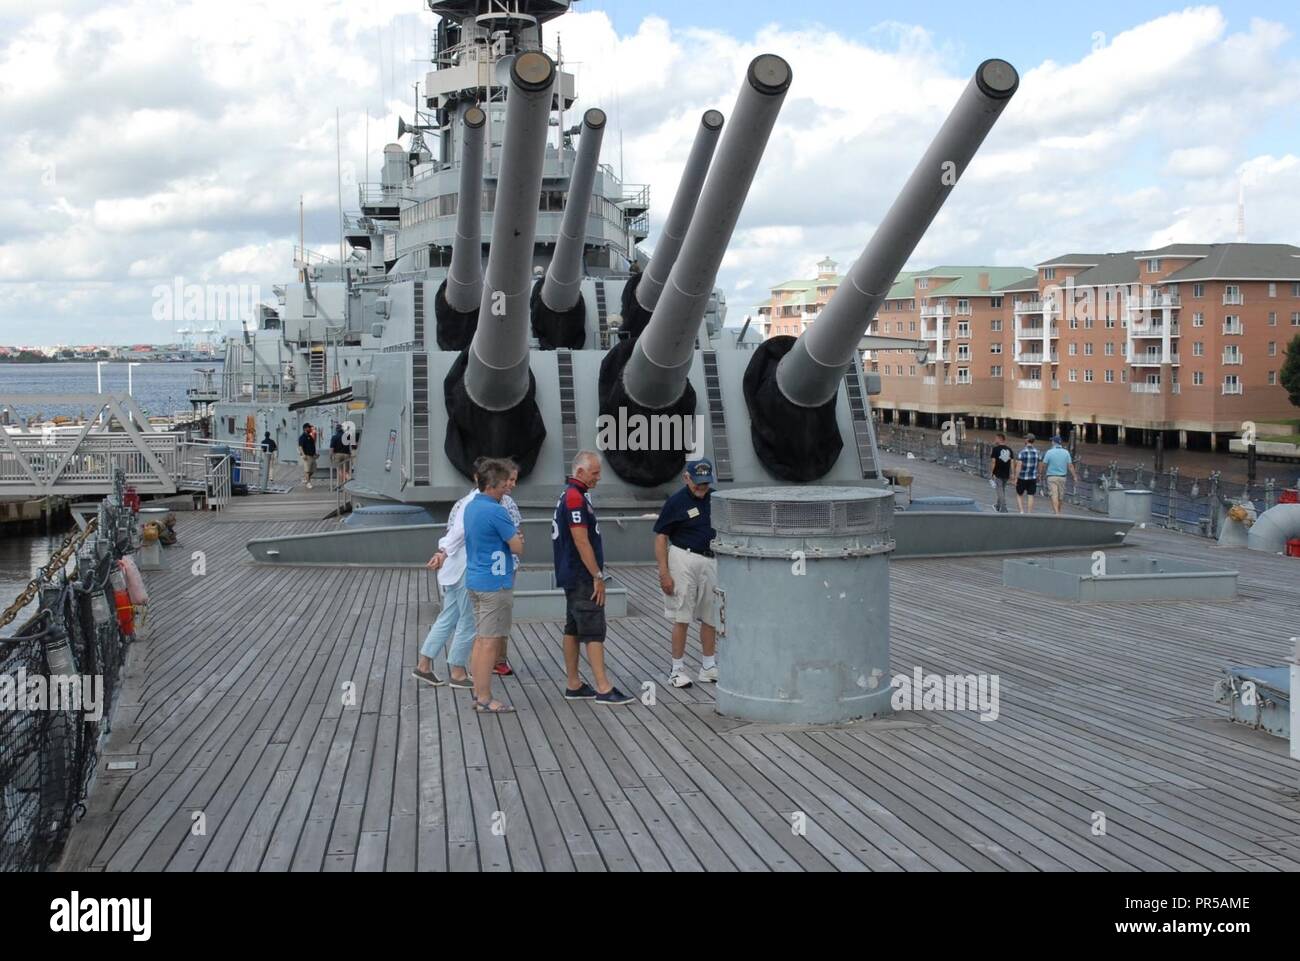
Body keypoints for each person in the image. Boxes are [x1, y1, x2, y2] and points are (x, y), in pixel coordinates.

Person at [552, 451, 634, 705]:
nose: (598, 477)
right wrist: (597, 575)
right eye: (595, 473)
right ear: (579, 472)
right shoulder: (575, 498)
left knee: (573, 627)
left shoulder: (570, 495)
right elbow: (580, 540)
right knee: (594, 629)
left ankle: (573, 684)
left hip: (570, 574)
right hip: (581, 575)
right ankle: (603, 687)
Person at [411, 460, 489, 690]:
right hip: (465, 566)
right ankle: (457, 670)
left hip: (454, 568)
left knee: (448, 616)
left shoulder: (464, 502)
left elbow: (452, 532)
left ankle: (424, 665)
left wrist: (443, 554)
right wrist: (444, 553)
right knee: (468, 619)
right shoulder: (476, 504)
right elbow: (460, 533)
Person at [463, 459, 525, 713]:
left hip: (476, 580)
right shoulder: (497, 511)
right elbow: (516, 545)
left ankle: (478, 692)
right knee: (490, 642)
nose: (507, 489)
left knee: (480, 640)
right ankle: (486, 698)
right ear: (492, 485)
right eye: (503, 485)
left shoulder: (471, 507)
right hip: (495, 583)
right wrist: (517, 539)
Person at [654, 459, 720, 688]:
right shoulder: (676, 502)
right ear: (687, 478)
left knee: (711, 615)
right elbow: (661, 537)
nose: (701, 488)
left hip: (710, 559)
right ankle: (677, 669)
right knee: (681, 615)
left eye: (705, 484)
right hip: (683, 557)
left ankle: (708, 666)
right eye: (697, 483)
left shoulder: (716, 499)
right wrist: (664, 573)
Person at [492, 462, 523, 678]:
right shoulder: (477, 503)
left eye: (514, 480)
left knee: (503, 613)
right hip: (491, 566)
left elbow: (516, 531)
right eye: (509, 480)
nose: (513, 484)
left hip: (508, 565)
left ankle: (499, 659)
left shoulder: (509, 502)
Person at [1041, 434, 1079, 515]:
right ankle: (1058, 511)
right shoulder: (1066, 452)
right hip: (1062, 477)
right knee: (1060, 496)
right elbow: (1070, 465)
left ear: (1054, 442)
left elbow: (1044, 464)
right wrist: (1074, 476)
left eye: (1052, 441)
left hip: (1051, 477)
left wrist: (1040, 473)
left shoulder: (1049, 452)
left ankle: (1056, 513)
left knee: (1054, 495)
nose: (1051, 442)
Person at [1015, 433, 1041, 514]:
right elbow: (1040, 464)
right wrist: (1039, 474)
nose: (1024, 440)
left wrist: (1016, 477)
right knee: (1030, 495)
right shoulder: (1037, 452)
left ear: (1027, 440)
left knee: (1019, 494)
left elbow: (1019, 466)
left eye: (1025, 438)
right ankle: (1029, 512)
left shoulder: (1022, 452)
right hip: (1032, 477)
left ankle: (1021, 511)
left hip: (1022, 477)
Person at [988, 433, 1013, 513]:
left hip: (998, 472)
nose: (995, 440)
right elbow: (1012, 462)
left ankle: (1003, 507)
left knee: (1000, 490)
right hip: (1006, 472)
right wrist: (1013, 473)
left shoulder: (995, 449)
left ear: (999, 439)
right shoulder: (1009, 450)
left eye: (996, 439)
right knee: (1002, 490)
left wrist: (991, 472)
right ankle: (997, 506)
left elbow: (993, 462)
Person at [328, 424, 351, 489]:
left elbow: (332, 448)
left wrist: (330, 456)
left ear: (336, 430)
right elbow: (352, 445)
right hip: (347, 454)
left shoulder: (334, 437)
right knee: (346, 470)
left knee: (340, 470)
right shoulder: (347, 436)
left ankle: (344, 482)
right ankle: (345, 484)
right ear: (342, 429)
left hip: (338, 455)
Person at [297, 422, 317, 489]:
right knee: (307, 470)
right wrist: (303, 454)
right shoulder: (302, 437)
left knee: (313, 470)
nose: (310, 428)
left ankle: (306, 479)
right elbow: (300, 447)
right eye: (309, 427)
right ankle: (308, 483)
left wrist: (315, 453)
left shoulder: (310, 437)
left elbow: (312, 445)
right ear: (305, 428)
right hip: (307, 456)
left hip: (312, 456)